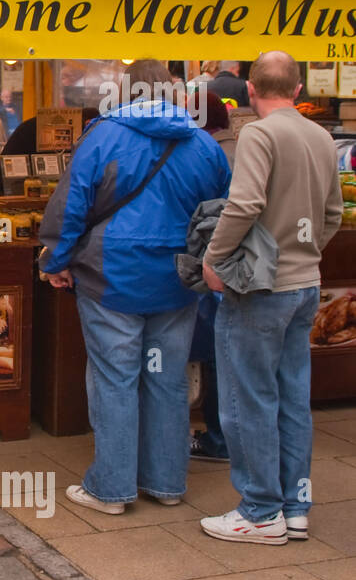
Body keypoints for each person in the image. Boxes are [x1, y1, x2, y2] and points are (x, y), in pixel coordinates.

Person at [38, 60, 231, 515]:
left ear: (125, 91)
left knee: (114, 380)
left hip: (112, 278)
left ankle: (111, 488)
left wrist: (56, 260)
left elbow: (70, 206)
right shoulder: (203, 145)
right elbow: (221, 215)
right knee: (166, 380)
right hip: (177, 279)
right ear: (173, 91)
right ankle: (166, 482)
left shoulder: (102, 137)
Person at [199, 52, 344, 545]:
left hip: (262, 286)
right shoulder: (321, 136)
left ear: (251, 91)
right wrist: (306, 253)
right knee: (292, 397)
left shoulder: (258, 134)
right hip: (305, 284)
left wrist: (214, 258)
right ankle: (294, 505)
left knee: (248, 399)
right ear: (299, 89)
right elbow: (333, 213)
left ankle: (260, 510)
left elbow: (244, 204)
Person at [186, 89, 234, 463]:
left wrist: (212, 260)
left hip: (217, 270)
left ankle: (219, 440)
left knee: (217, 356)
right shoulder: (233, 147)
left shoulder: (207, 152)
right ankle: (223, 438)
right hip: (236, 270)